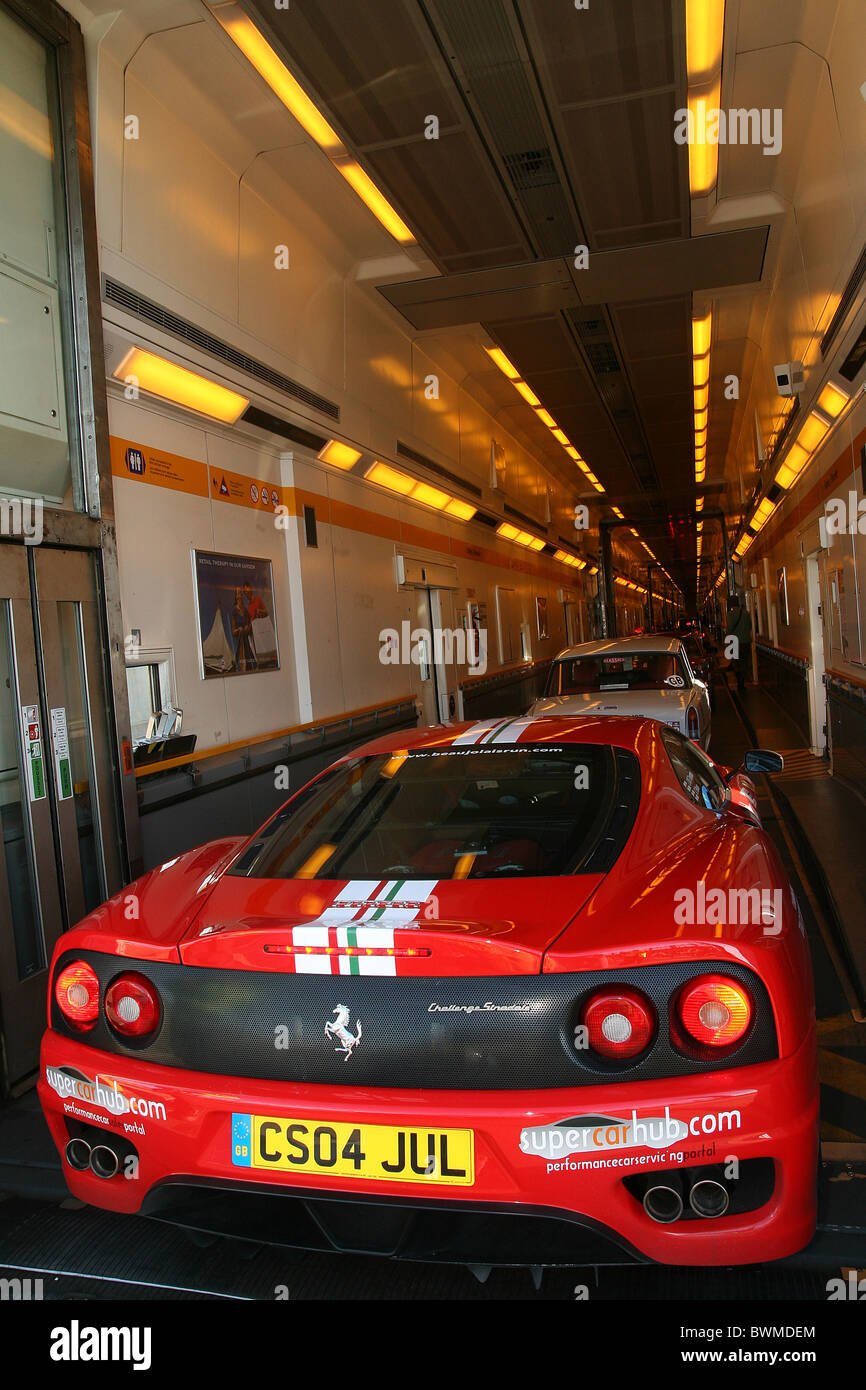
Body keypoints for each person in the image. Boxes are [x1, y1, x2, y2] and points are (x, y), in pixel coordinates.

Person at [725, 591, 752, 692]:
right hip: (746, 642)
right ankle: (742, 683)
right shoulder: (746, 613)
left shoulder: (730, 615)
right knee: (744, 663)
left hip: (734, 643)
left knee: (736, 663)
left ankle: (739, 683)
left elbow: (729, 629)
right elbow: (750, 626)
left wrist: (727, 642)